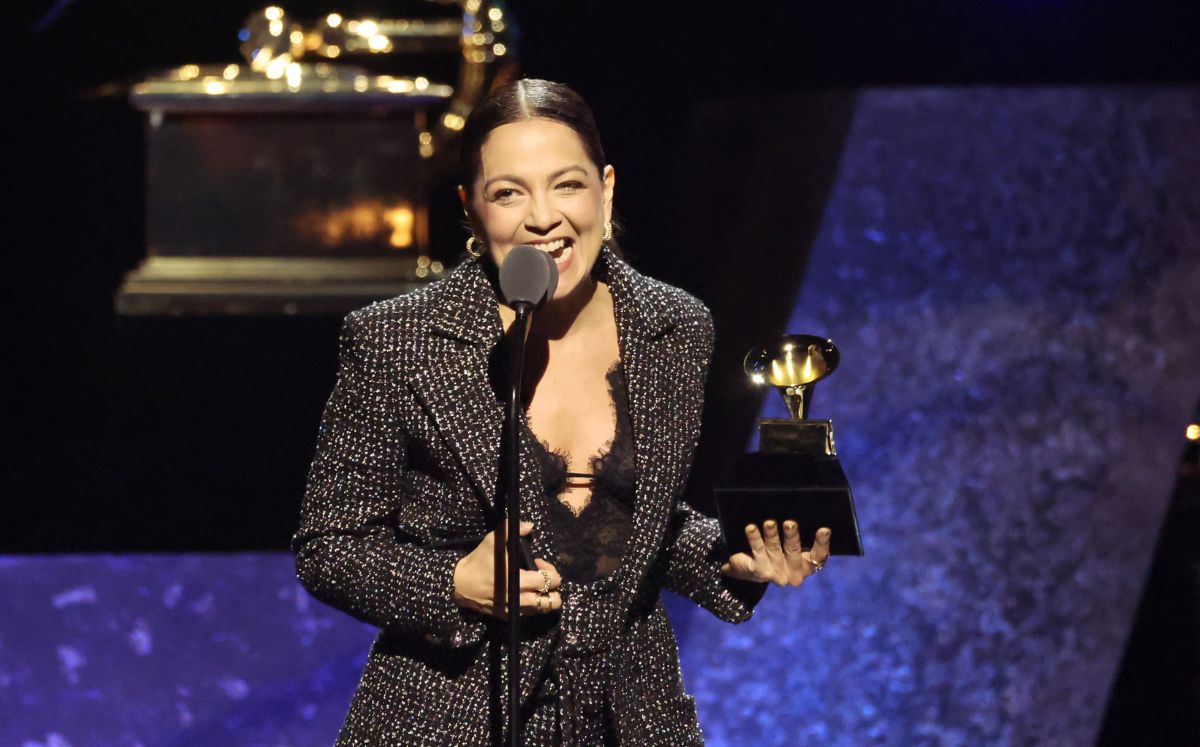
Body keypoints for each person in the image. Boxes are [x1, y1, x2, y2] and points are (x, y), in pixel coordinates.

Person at [293, 78, 833, 746]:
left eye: (567, 184)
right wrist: (453, 582)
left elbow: (628, 520)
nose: (542, 216)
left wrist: (737, 558)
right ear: (471, 209)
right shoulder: (395, 339)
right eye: (508, 192)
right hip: (449, 717)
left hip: (628, 718)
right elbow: (330, 547)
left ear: (606, 190)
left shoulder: (675, 326)